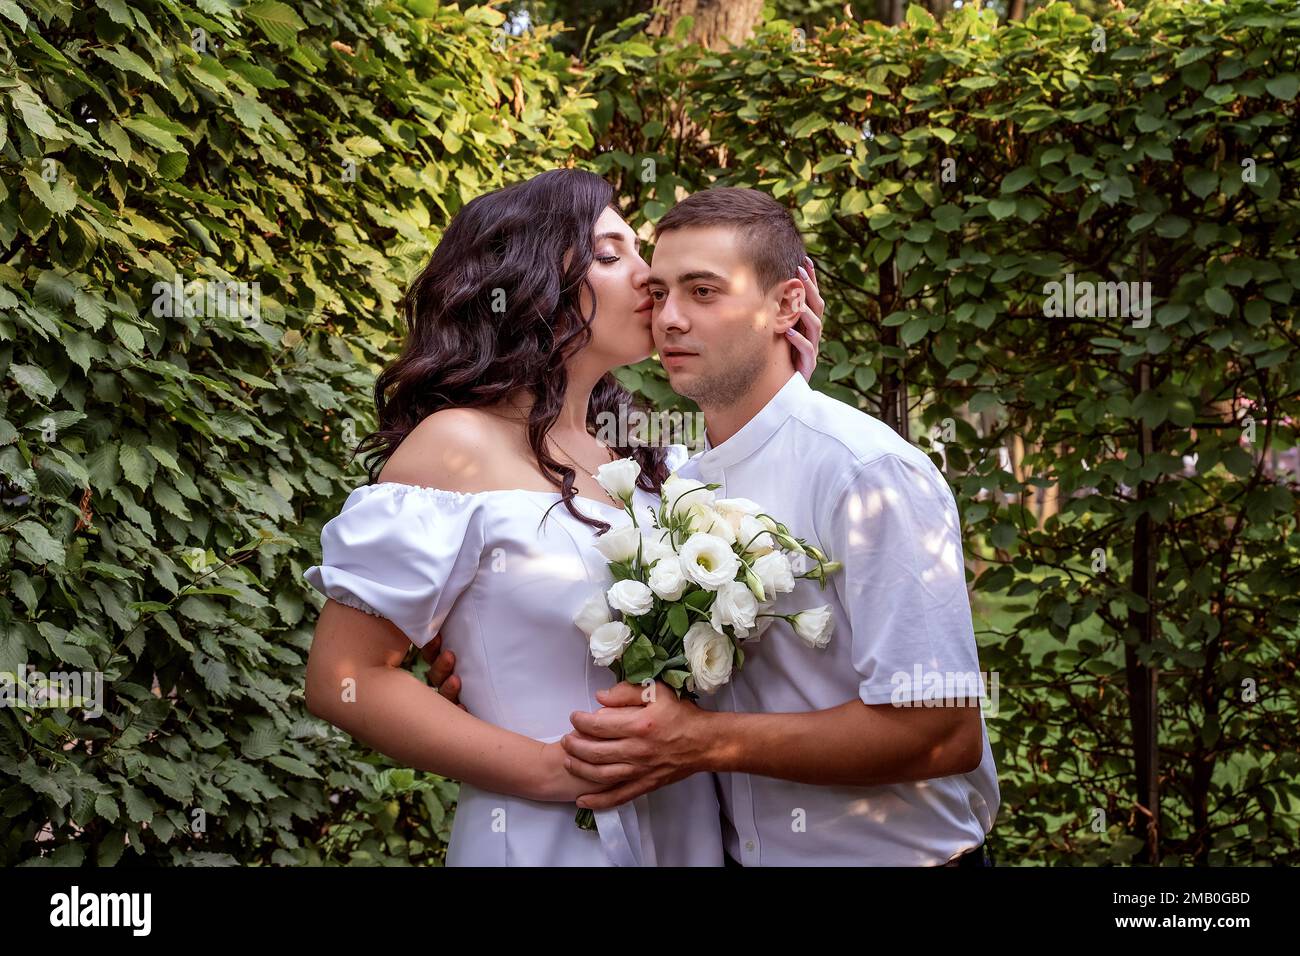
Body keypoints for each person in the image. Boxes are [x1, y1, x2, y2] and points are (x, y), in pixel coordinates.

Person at [302, 169, 824, 865]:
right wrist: (551, 770)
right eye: (612, 255)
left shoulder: (646, 454)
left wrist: (774, 378)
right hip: (549, 837)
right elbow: (348, 676)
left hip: (685, 828)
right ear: (526, 285)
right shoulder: (454, 447)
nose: (649, 279)